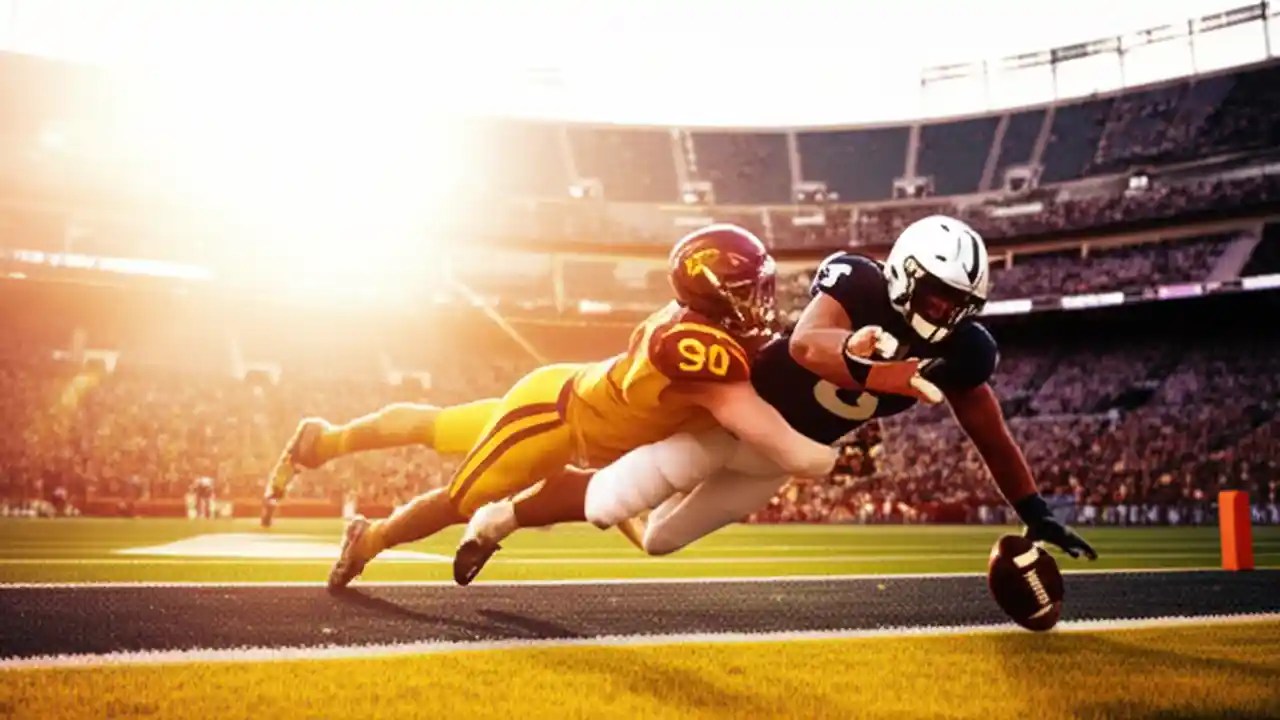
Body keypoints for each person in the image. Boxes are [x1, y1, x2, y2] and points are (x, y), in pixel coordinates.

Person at [455, 216, 1097, 583]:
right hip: (737, 419)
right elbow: (807, 346)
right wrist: (879, 372)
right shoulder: (862, 283)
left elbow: (992, 433)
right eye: (935, 298)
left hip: (781, 459)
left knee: (658, 542)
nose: (945, 314)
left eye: (957, 305)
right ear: (904, 275)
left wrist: (1034, 511)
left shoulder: (965, 350)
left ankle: (574, 497)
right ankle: (497, 523)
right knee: (607, 502)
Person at [261, 225, 895, 588]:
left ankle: (325, 439)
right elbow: (763, 427)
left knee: (439, 424)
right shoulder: (697, 348)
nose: (762, 300)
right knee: (462, 498)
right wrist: (836, 452)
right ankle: (367, 537)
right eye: (747, 288)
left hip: (581, 406)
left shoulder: (714, 332)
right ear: (713, 294)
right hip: (552, 418)